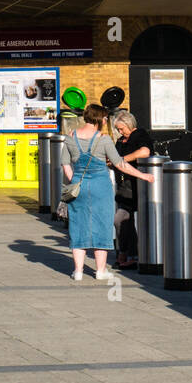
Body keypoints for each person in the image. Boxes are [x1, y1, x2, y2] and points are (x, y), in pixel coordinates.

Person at [62, 103, 152, 281]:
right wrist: (142, 175)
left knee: (78, 226)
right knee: (101, 226)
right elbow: (120, 164)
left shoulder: (71, 137)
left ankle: (78, 271)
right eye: (104, 118)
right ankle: (100, 270)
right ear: (99, 119)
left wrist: (76, 181)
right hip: (100, 187)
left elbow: (65, 163)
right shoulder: (104, 140)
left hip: (79, 186)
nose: (106, 121)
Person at [110, 109, 153, 270]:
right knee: (122, 221)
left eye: (121, 129)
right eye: (118, 129)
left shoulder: (140, 135)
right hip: (124, 188)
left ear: (129, 125)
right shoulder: (121, 141)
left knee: (124, 220)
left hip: (137, 186)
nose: (120, 132)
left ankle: (130, 255)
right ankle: (126, 253)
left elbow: (144, 152)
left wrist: (120, 161)